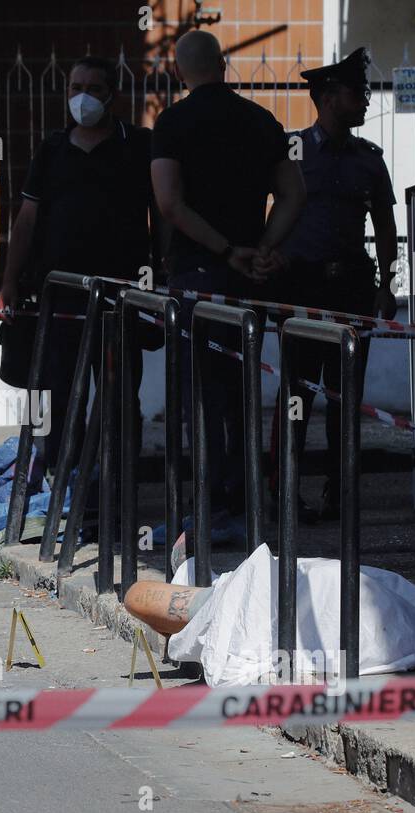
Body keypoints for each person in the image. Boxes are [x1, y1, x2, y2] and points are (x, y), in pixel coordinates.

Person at [151, 30, 305, 531]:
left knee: (200, 394)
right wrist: (261, 249)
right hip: (247, 282)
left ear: (178, 73)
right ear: (223, 64)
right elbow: (293, 192)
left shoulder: (172, 123)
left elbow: (170, 203)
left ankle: (210, 498)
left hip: (197, 276)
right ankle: (244, 496)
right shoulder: (259, 121)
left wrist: (223, 250)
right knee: (241, 388)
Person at [0, 55, 157, 474]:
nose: (82, 97)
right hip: (60, 297)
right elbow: (27, 219)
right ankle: (59, 477)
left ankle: (117, 487)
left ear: (112, 95)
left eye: (94, 89)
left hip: (120, 298)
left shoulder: (137, 145)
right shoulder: (52, 148)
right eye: (74, 88)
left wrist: (162, 274)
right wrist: (9, 282)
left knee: (119, 396)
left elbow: (161, 214)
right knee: (58, 395)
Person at [269, 48, 398, 522]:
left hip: (351, 291)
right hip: (301, 289)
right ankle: (283, 491)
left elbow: (384, 224)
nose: (364, 100)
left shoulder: (369, 160)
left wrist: (387, 284)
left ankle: (339, 492)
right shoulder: (293, 151)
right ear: (326, 97)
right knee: (296, 394)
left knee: (345, 396)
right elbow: (270, 210)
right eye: (355, 93)